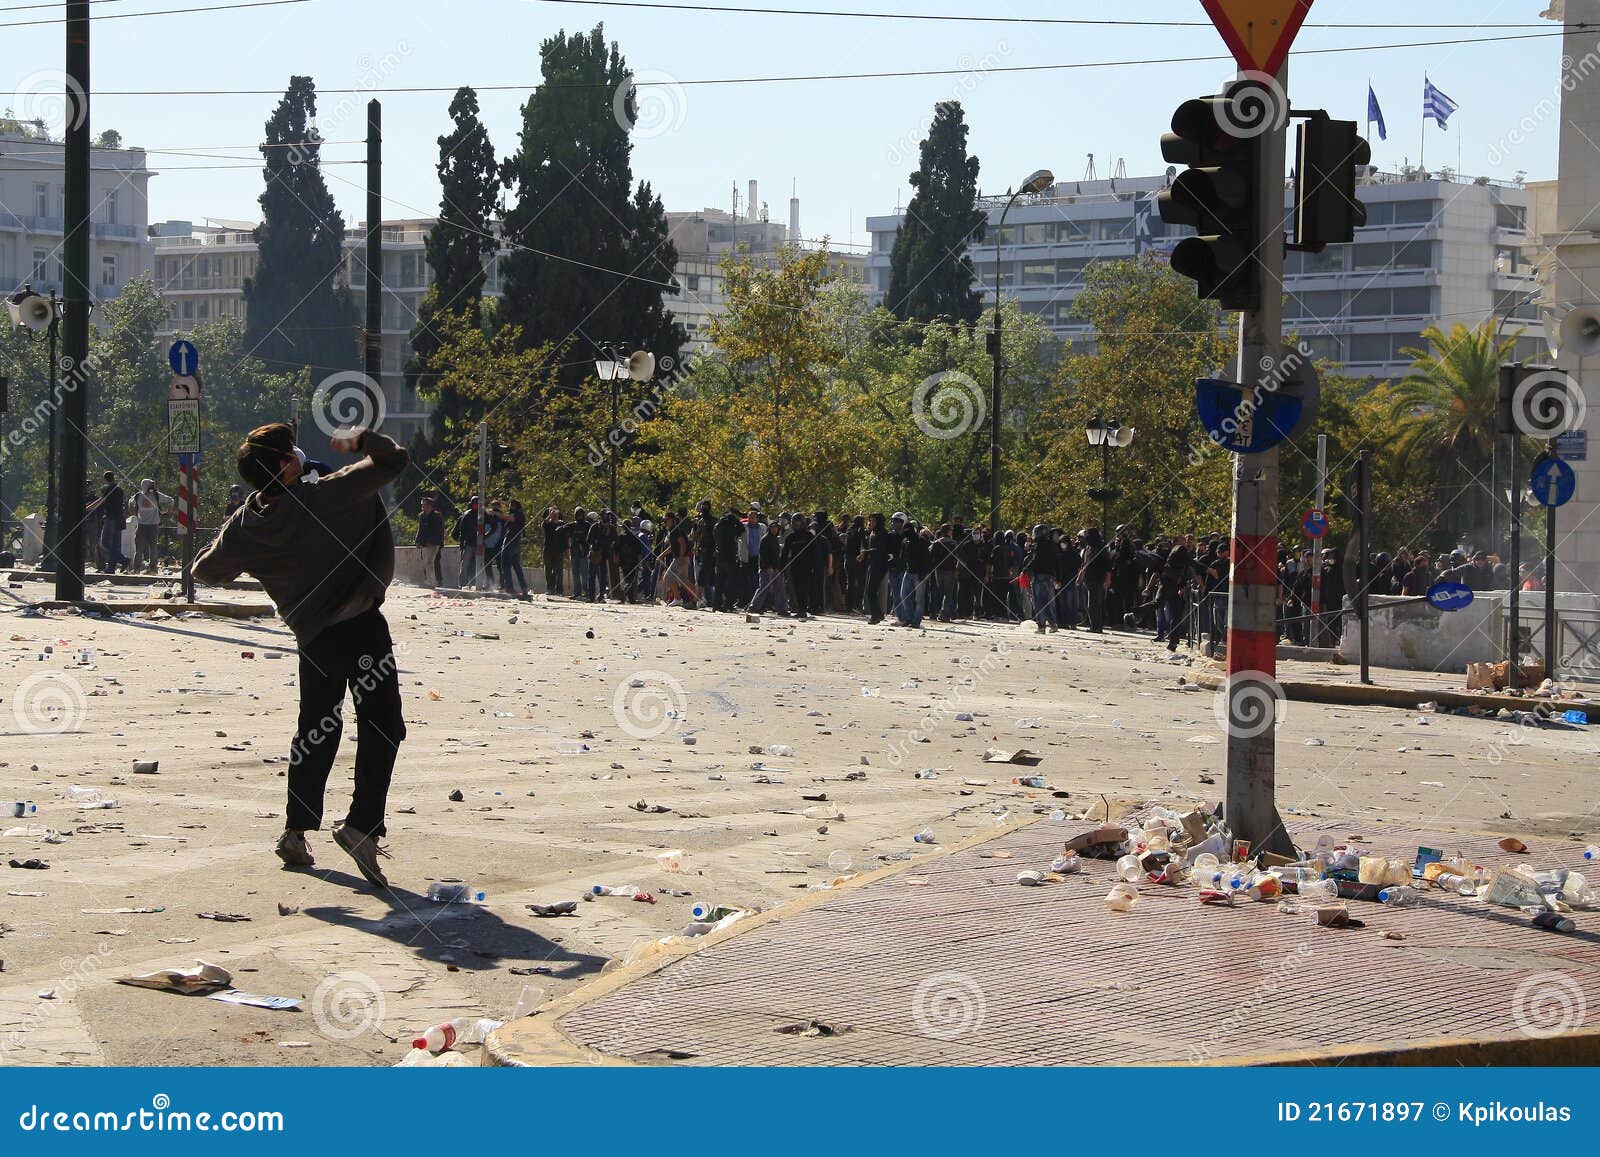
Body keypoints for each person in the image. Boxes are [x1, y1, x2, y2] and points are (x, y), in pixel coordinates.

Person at [193, 422, 407, 887]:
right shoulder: (325, 497)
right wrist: (359, 440)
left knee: (317, 728)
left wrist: (246, 527)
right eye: (291, 451)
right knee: (383, 725)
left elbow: (206, 571)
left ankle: (296, 830)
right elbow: (392, 460)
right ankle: (362, 827)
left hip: (313, 637)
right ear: (288, 465)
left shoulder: (252, 525)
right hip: (362, 628)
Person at [85, 471, 126, 573]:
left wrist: (87, 508)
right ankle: (111, 569)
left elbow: (100, 501)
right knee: (116, 545)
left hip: (110, 519)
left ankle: (123, 559)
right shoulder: (120, 490)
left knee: (105, 544)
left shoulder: (107, 489)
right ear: (114, 478)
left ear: (105, 479)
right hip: (120, 519)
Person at [130, 478, 172, 574]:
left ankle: (152, 569)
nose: (152, 487)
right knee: (139, 549)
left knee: (153, 548)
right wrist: (134, 512)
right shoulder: (138, 496)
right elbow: (130, 503)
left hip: (153, 525)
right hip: (141, 525)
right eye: (150, 485)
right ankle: (137, 569)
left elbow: (170, 500)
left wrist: (168, 510)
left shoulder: (156, 495)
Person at [499, 499, 529, 597]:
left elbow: (510, 518)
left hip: (510, 541)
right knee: (517, 566)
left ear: (514, 506)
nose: (509, 508)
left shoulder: (517, 514)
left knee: (506, 565)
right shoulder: (520, 514)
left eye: (510, 506)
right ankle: (523, 587)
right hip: (516, 543)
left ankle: (509, 588)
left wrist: (496, 513)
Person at [415, 496, 445, 587]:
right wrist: (418, 541)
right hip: (424, 543)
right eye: (423, 505)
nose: (424, 507)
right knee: (425, 562)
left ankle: (438, 581)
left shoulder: (436, 516)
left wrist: (433, 541)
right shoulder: (422, 516)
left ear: (431, 506)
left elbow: (439, 531)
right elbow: (420, 529)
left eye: (426, 505)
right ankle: (429, 580)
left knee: (433, 562)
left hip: (434, 544)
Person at [453, 497, 481, 589]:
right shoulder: (466, 515)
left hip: (478, 544)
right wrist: (463, 541)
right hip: (468, 544)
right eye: (475, 504)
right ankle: (463, 584)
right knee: (465, 565)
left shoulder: (482, 516)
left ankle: (473, 584)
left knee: (475, 566)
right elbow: (458, 532)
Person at [542, 507, 567, 596]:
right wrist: (550, 515)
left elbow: (565, 538)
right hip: (548, 550)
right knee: (548, 570)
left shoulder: (561, 524)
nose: (554, 514)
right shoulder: (547, 524)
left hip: (558, 551)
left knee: (559, 571)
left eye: (555, 513)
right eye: (552, 513)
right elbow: (544, 524)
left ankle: (559, 590)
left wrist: (565, 550)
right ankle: (550, 588)